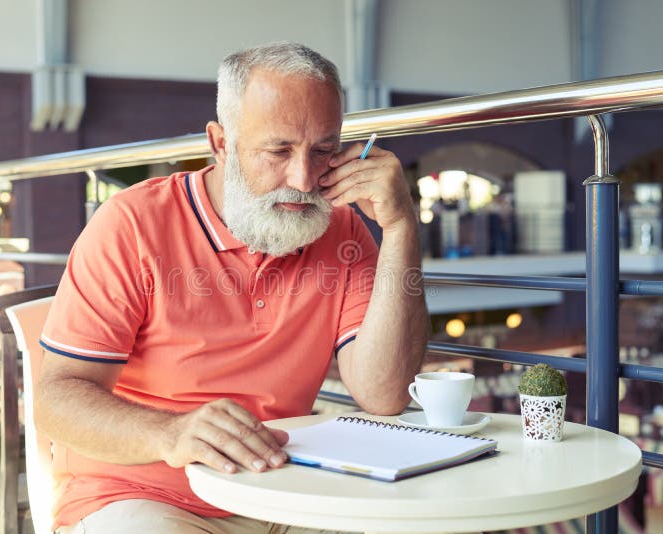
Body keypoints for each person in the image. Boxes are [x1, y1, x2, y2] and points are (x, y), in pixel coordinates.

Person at [36, 42, 429, 533]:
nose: (304, 179)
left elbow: (385, 393)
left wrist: (399, 226)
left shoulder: (344, 228)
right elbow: (57, 399)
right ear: (220, 142)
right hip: (143, 499)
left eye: (324, 150)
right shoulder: (131, 224)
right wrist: (170, 433)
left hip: (289, 494)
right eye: (278, 150)